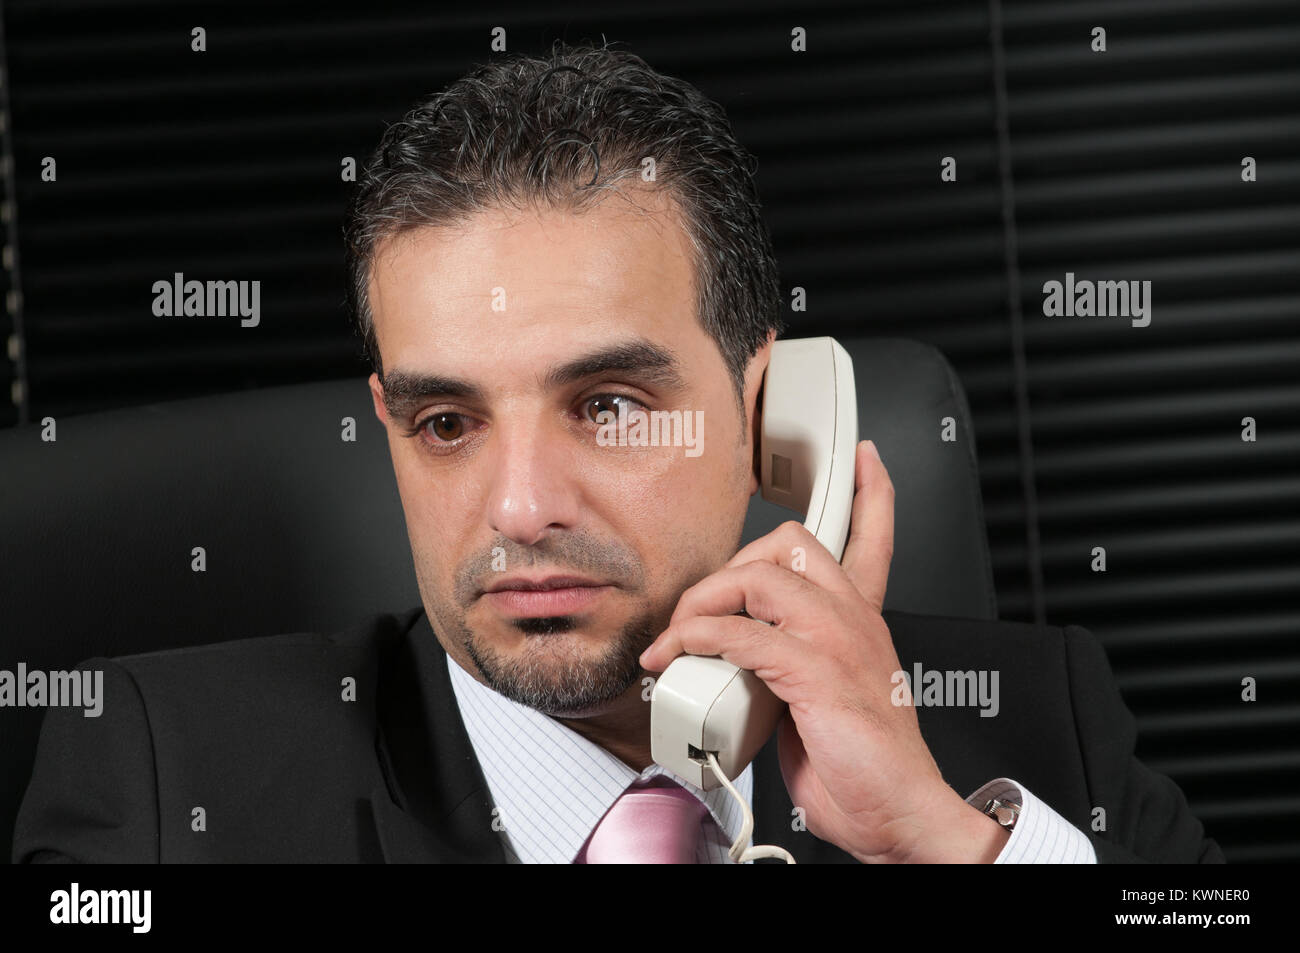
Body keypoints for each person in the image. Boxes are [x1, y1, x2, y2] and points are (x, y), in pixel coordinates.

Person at [12, 40, 1222, 864]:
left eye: (606, 404)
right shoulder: (166, 780)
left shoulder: (1034, 727)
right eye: (447, 424)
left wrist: (943, 846)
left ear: (767, 411)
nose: (522, 506)